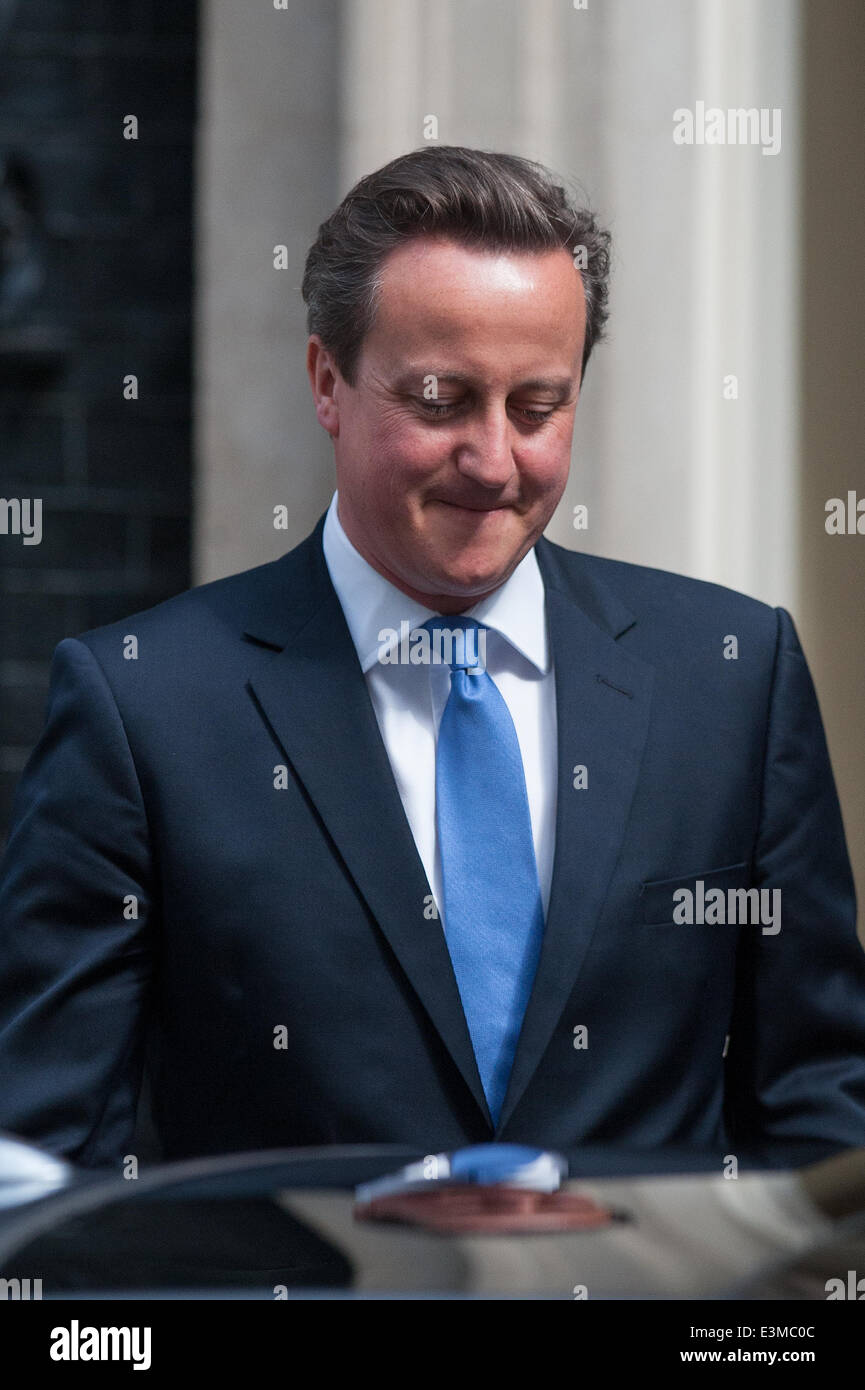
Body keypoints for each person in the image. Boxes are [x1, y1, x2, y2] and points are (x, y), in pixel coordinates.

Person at [1, 146, 864, 1172]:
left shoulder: (731, 676)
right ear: (328, 379)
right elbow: (48, 1170)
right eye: (441, 400)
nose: (494, 461)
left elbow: (820, 1113)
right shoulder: (143, 706)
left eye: (537, 408)